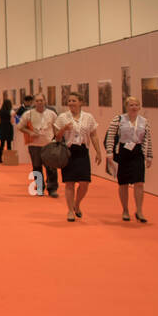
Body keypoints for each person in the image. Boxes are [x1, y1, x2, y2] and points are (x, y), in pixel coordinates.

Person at [53, 92, 102, 221]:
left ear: (81, 102)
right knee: (69, 183)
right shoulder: (63, 117)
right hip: (68, 151)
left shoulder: (88, 117)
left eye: (74, 101)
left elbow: (93, 135)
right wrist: (64, 129)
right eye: (69, 101)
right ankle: (70, 210)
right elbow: (57, 137)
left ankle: (77, 204)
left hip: (82, 151)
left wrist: (98, 151)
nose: (71, 103)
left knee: (84, 183)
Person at [105, 96, 153, 222]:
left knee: (139, 182)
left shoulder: (144, 121)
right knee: (123, 183)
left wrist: (149, 156)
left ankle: (139, 210)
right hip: (123, 152)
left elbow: (148, 139)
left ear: (139, 107)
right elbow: (110, 136)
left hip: (138, 152)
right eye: (131, 105)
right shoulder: (118, 119)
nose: (134, 107)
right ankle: (125, 210)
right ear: (126, 106)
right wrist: (109, 152)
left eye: (136, 105)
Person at [16, 91, 58, 197]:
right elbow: (20, 126)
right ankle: (40, 188)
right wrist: (29, 132)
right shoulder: (28, 114)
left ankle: (52, 189)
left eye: (41, 100)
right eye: (37, 101)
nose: (39, 102)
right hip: (34, 145)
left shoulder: (52, 114)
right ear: (34, 102)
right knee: (37, 167)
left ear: (45, 101)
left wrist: (57, 140)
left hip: (49, 144)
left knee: (51, 167)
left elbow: (56, 128)